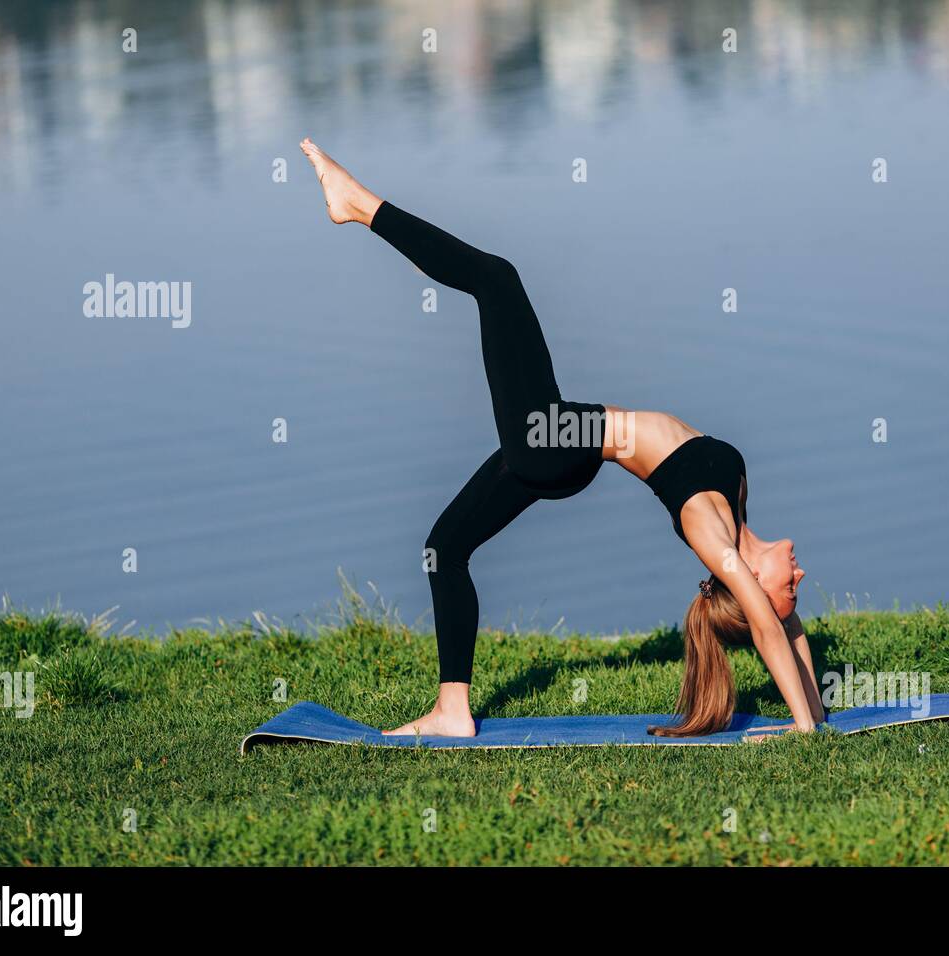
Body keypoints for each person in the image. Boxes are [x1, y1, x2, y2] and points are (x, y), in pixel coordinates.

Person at [300, 138, 824, 738]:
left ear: (755, 587)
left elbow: (766, 625)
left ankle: (359, 205)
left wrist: (804, 730)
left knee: (495, 280)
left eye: (790, 589)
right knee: (445, 548)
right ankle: (452, 709)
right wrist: (817, 711)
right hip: (562, 443)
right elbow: (784, 627)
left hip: (552, 439)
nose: (800, 577)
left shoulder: (714, 530)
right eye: (795, 590)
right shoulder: (734, 508)